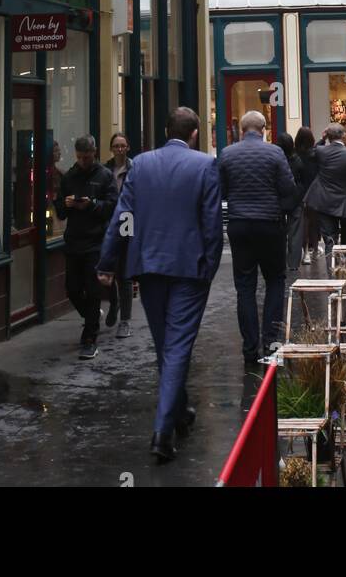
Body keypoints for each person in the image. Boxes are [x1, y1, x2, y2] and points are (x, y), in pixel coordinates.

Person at [97, 107, 222, 465]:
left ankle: (179, 412)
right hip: (188, 267)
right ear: (195, 133)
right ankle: (162, 431)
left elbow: (124, 217)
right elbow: (212, 225)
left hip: (149, 265)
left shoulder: (142, 165)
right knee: (177, 346)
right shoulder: (204, 165)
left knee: (166, 344)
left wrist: (109, 260)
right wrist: (209, 267)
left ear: (166, 129)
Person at [219, 111, 298, 365]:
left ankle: (250, 348)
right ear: (263, 128)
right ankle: (271, 342)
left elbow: (220, 190)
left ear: (241, 130)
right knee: (275, 280)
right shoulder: (275, 153)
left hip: (240, 225)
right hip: (269, 225)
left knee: (245, 287)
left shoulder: (227, 154)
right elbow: (288, 189)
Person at [55, 135, 118, 360]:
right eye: (80, 157)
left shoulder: (104, 176)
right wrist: (66, 204)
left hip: (95, 241)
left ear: (94, 153)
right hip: (74, 241)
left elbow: (112, 206)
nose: (83, 161)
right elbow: (60, 211)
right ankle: (92, 317)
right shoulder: (70, 177)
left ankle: (90, 337)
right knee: (72, 288)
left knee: (92, 290)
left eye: (87, 157)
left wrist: (92, 205)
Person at [305, 124, 346, 258]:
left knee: (330, 240)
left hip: (324, 201)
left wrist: (322, 139)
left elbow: (309, 153)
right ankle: (345, 271)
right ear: (343, 135)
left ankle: (331, 274)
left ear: (328, 136)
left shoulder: (321, 151)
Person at [104, 133, 137, 337]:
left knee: (124, 274)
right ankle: (114, 303)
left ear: (128, 147)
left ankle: (125, 320)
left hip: (127, 221)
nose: (119, 149)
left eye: (123, 145)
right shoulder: (105, 170)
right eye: (116, 146)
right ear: (111, 148)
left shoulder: (135, 169)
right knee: (108, 270)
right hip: (108, 223)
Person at [277, 132, 305, 273]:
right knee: (295, 232)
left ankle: (279, 261)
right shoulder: (297, 161)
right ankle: (293, 263)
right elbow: (302, 181)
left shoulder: (276, 160)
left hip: (279, 200)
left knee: (279, 232)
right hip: (295, 200)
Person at [295, 127, 319, 265]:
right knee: (314, 223)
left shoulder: (295, 154)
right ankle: (314, 249)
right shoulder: (315, 155)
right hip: (314, 192)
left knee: (304, 223)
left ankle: (305, 252)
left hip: (300, 192)